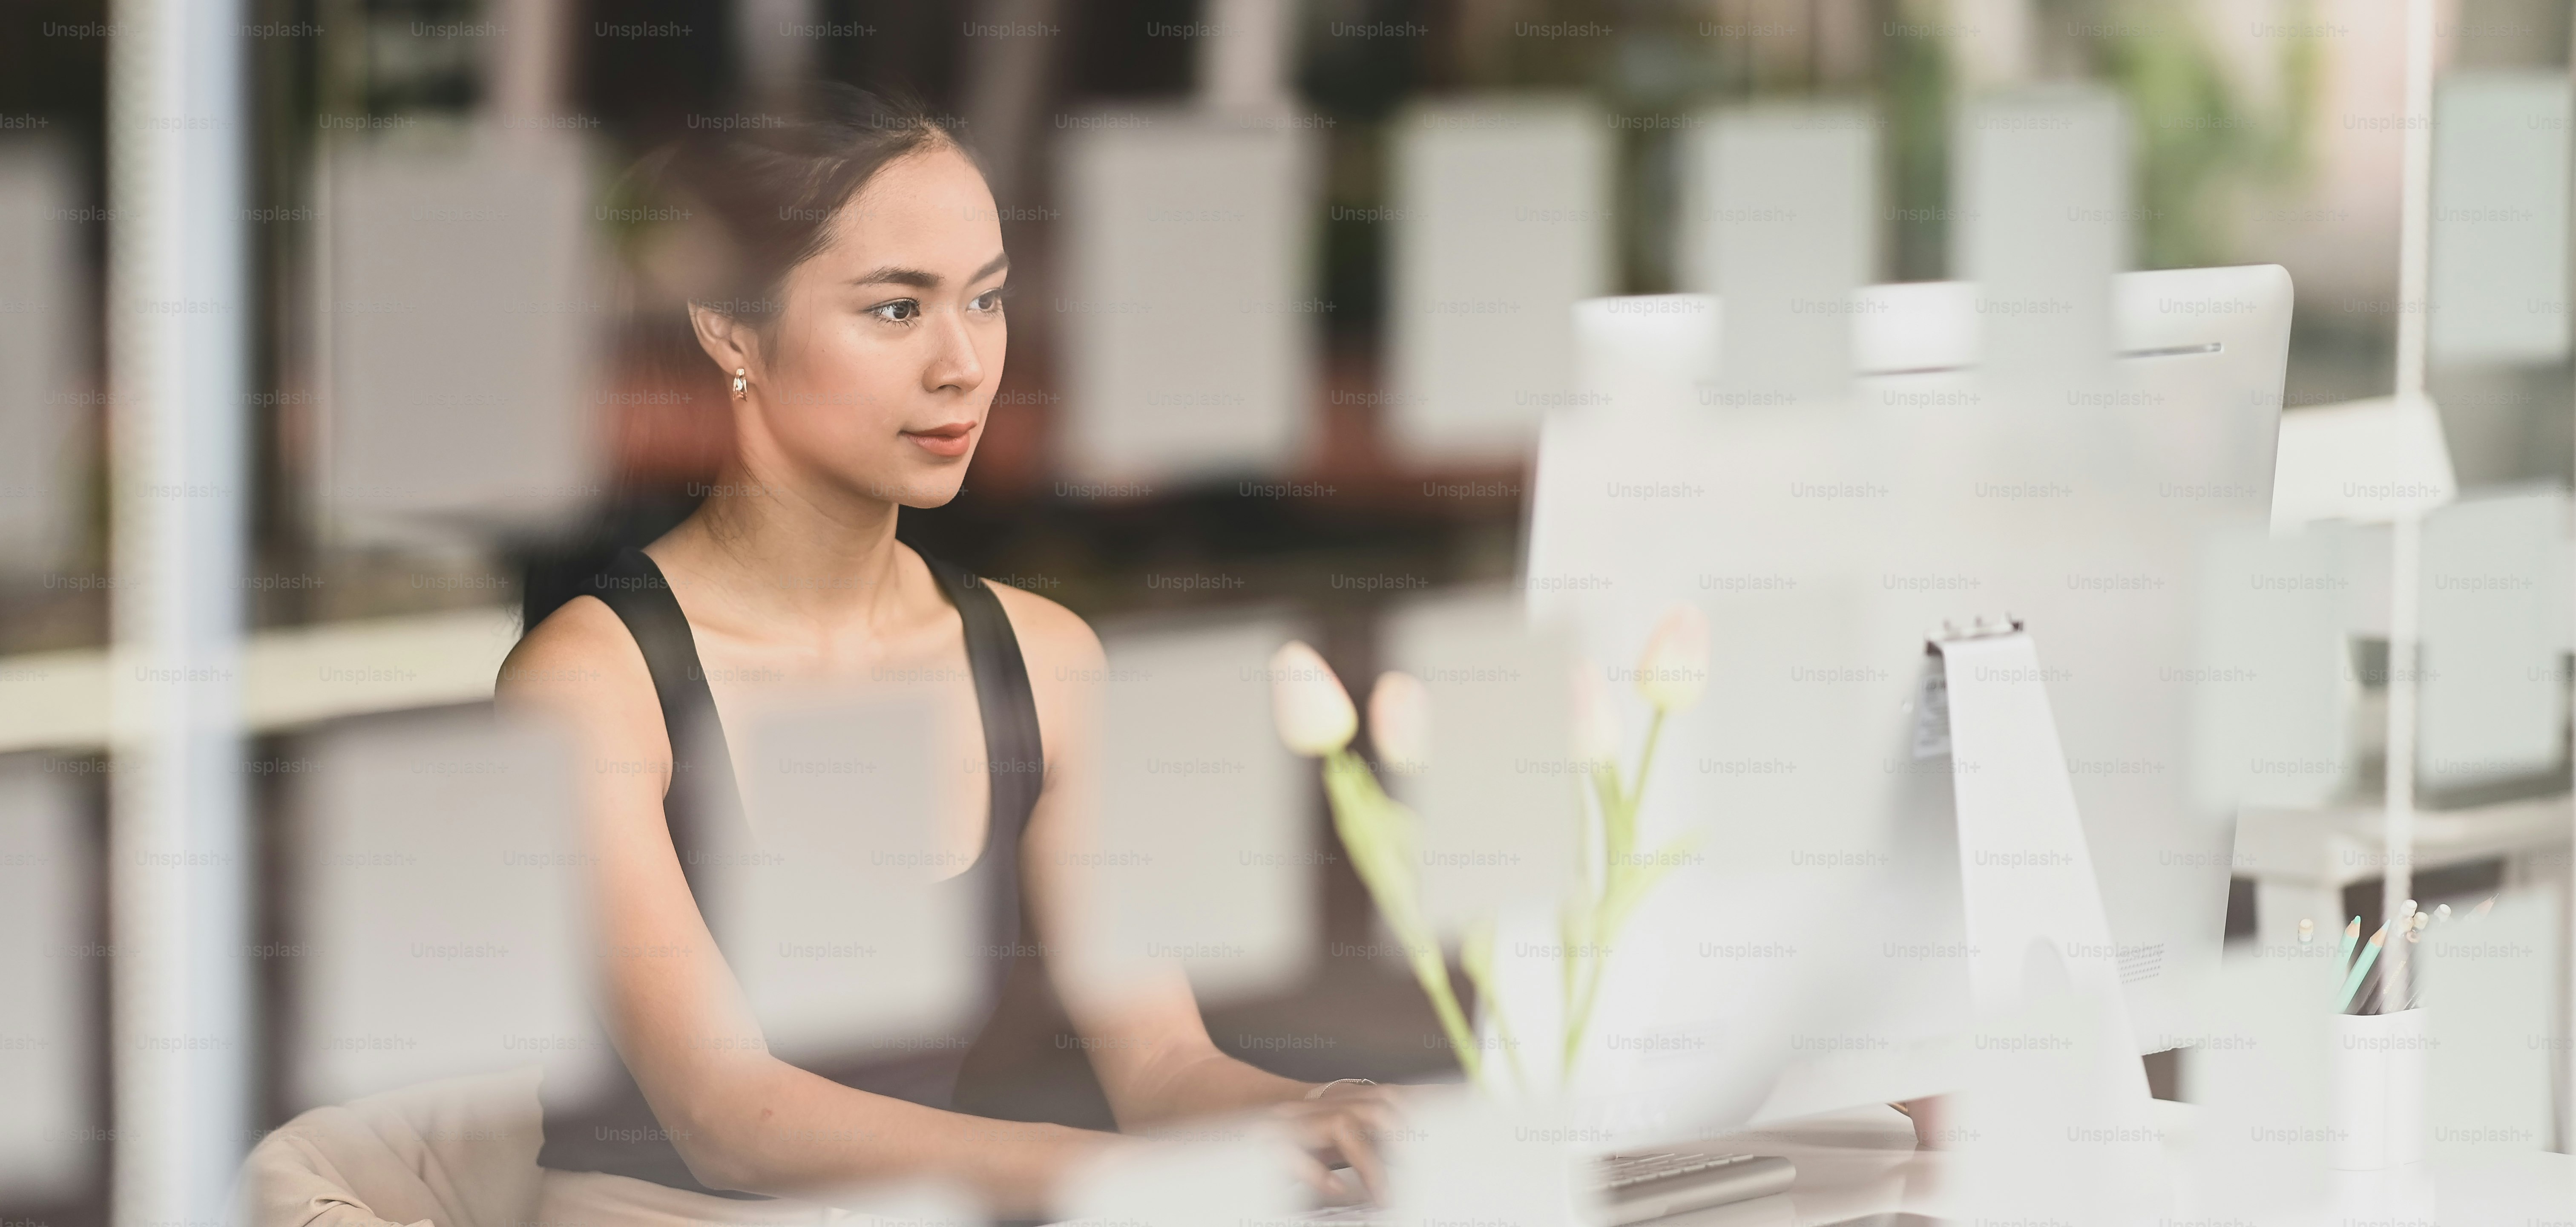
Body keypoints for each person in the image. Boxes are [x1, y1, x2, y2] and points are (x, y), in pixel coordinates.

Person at [496, 84, 1394, 1221]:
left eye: (989, 300)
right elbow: (730, 1121)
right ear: (730, 328)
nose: (965, 364)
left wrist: (1324, 1114)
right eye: (895, 311)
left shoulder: (1043, 660)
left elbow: (1163, 1068)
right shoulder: (590, 686)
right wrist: (1132, 1175)